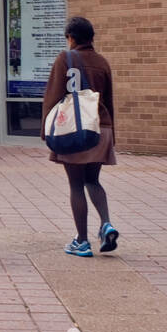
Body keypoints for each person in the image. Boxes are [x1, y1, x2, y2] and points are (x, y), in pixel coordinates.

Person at [42, 15, 120, 257]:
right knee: (93, 180)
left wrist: (46, 128)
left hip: (74, 128)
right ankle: (106, 223)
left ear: (71, 37)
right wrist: (112, 134)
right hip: (101, 127)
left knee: (76, 184)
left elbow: (53, 95)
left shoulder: (65, 59)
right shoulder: (102, 62)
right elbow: (108, 100)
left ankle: (82, 242)